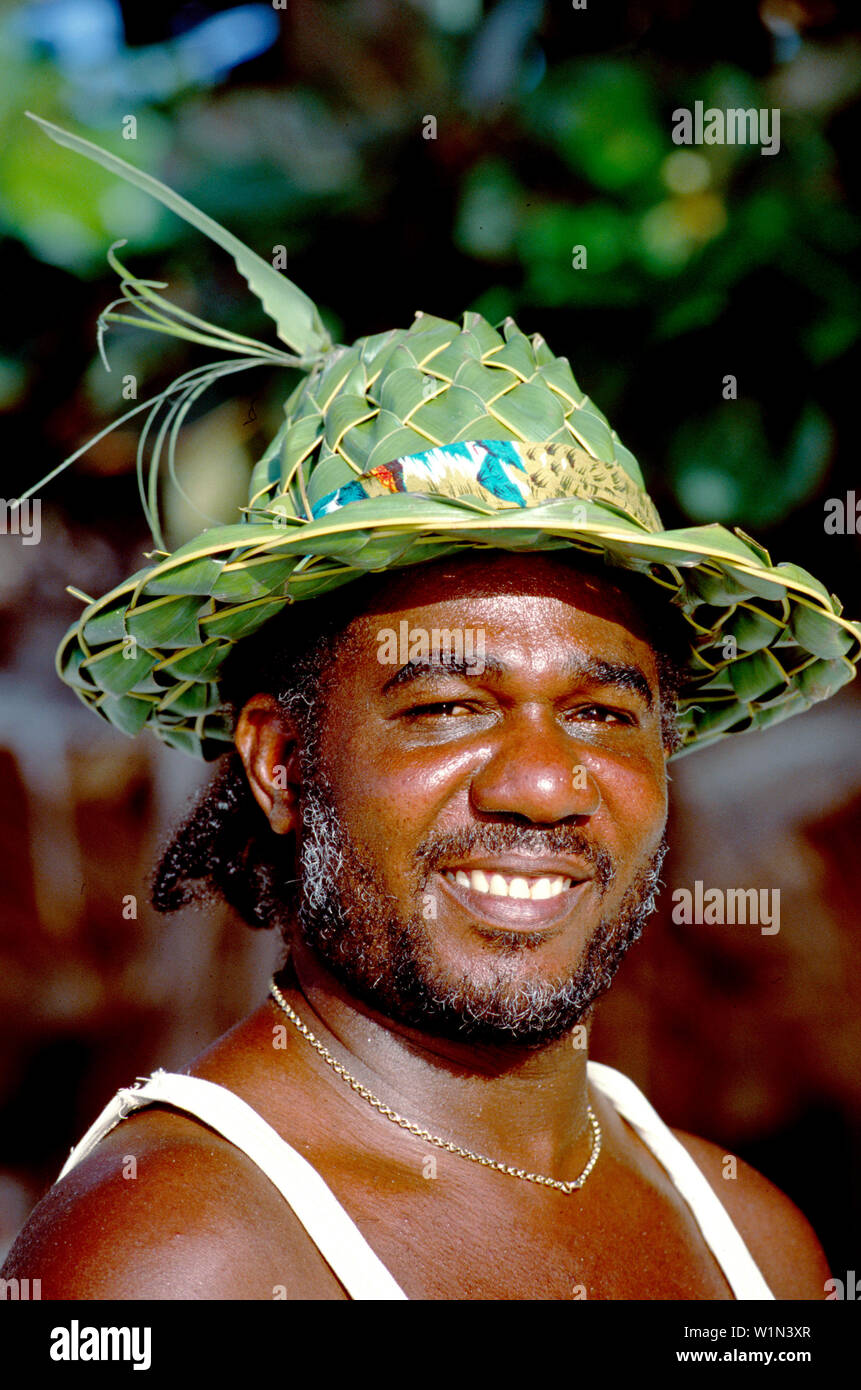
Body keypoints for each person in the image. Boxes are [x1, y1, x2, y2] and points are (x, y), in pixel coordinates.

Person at [4, 119, 860, 1300]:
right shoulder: (179, 1259)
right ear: (280, 761)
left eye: (605, 715)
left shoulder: (753, 1245)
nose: (541, 782)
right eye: (449, 705)